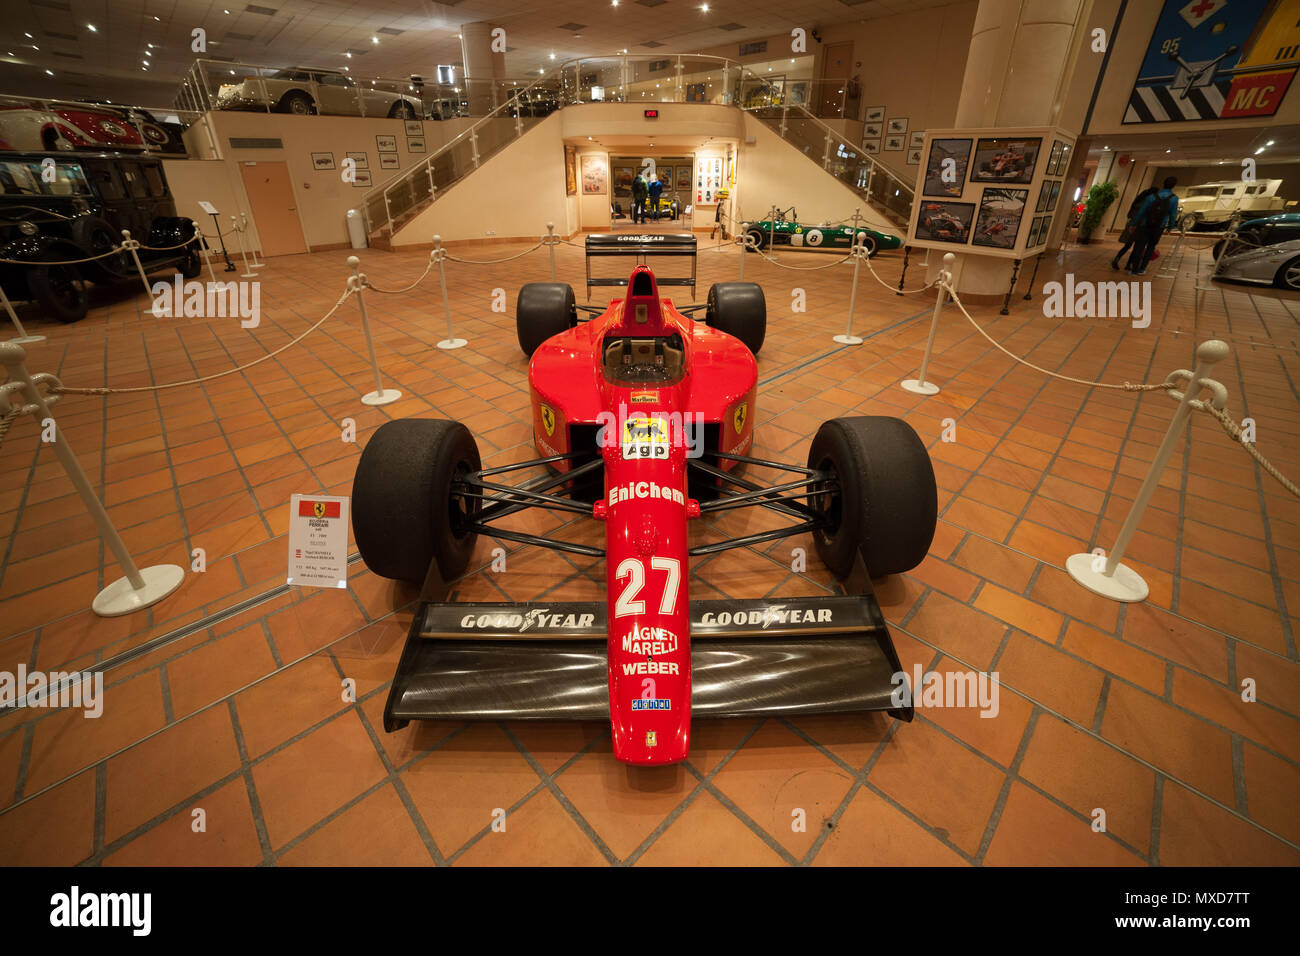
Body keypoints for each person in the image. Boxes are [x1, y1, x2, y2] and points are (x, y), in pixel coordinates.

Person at [1125, 176, 1180, 276]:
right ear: (1173, 186)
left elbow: (1141, 211)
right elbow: (1173, 214)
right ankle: (1142, 269)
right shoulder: (1174, 199)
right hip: (1159, 227)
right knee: (1151, 247)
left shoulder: (1152, 196)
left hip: (1145, 225)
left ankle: (1134, 270)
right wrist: (1170, 227)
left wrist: (1133, 224)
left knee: (1139, 247)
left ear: (1163, 183)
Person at [1111, 183, 1160, 270]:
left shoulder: (1138, 200)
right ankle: (1128, 265)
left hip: (1130, 224)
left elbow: (1129, 214)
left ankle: (1116, 259)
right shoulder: (1148, 202)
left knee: (1127, 245)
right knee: (1136, 247)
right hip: (1139, 226)